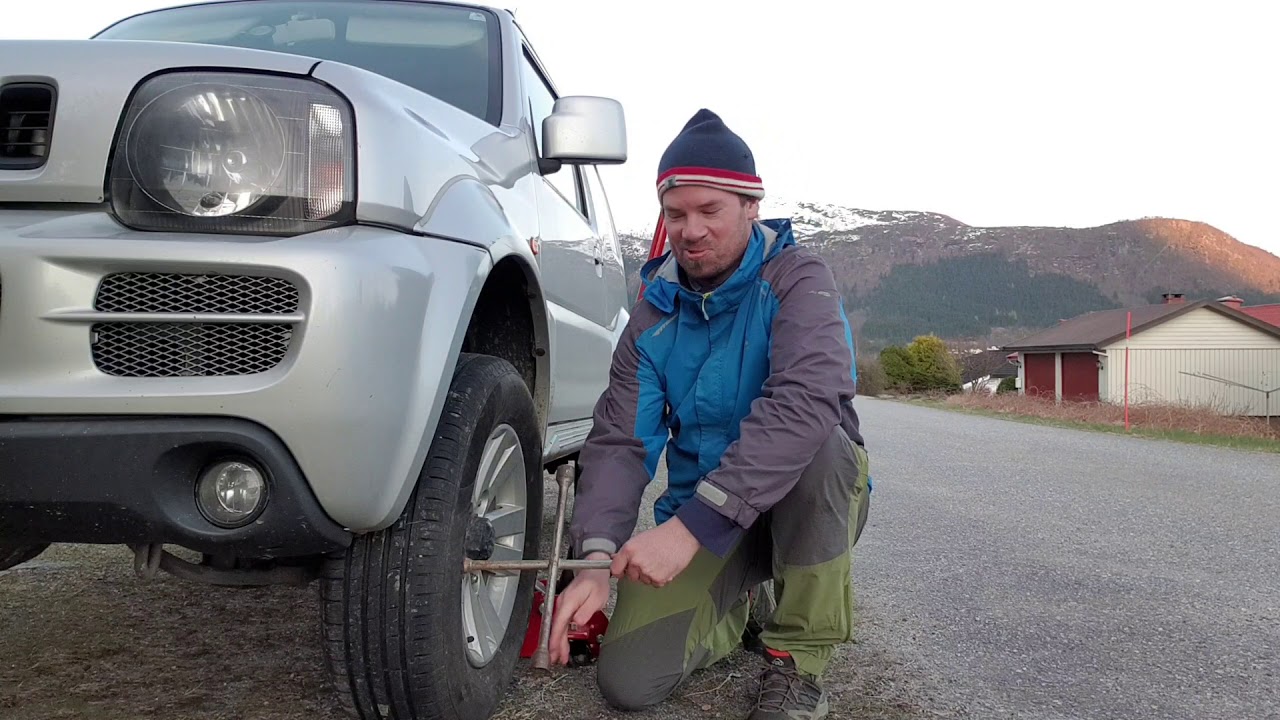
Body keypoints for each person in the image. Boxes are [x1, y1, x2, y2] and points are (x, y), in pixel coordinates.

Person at [549, 108, 871, 720]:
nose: (690, 231)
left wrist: (690, 528)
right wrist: (593, 559)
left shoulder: (799, 280)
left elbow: (806, 400)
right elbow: (621, 443)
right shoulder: (650, 318)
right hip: (711, 519)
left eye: (709, 211)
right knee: (628, 682)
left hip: (797, 505)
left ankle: (797, 658)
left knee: (823, 444)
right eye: (676, 215)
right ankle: (737, 603)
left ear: (751, 205)